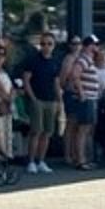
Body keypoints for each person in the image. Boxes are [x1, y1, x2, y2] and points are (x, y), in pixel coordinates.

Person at [21, 31, 63, 174]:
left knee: (48, 132)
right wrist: (33, 99)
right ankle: (31, 161)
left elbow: (56, 82)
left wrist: (59, 101)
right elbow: (26, 80)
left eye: (49, 44)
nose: (46, 47)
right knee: (36, 132)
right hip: (37, 100)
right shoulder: (33, 60)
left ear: (54, 45)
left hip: (51, 100)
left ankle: (41, 161)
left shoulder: (55, 62)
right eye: (43, 44)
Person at [71, 36, 102, 170]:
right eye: (95, 44)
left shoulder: (90, 60)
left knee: (87, 129)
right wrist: (82, 92)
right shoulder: (83, 59)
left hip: (91, 98)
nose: (97, 47)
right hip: (86, 99)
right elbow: (75, 74)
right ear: (89, 46)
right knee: (82, 130)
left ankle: (84, 158)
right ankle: (80, 160)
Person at [59, 34, 84, 166]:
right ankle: (67, 155)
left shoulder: (82, 58)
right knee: (70, 125)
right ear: (70, 46)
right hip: (71, 94)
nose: (77, 46)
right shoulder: (69, 59)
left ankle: (76, 153)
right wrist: (67, 88)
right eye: (74, 43)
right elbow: (62, 79)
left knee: (78, 126)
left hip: (80, 95)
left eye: (79, 43)